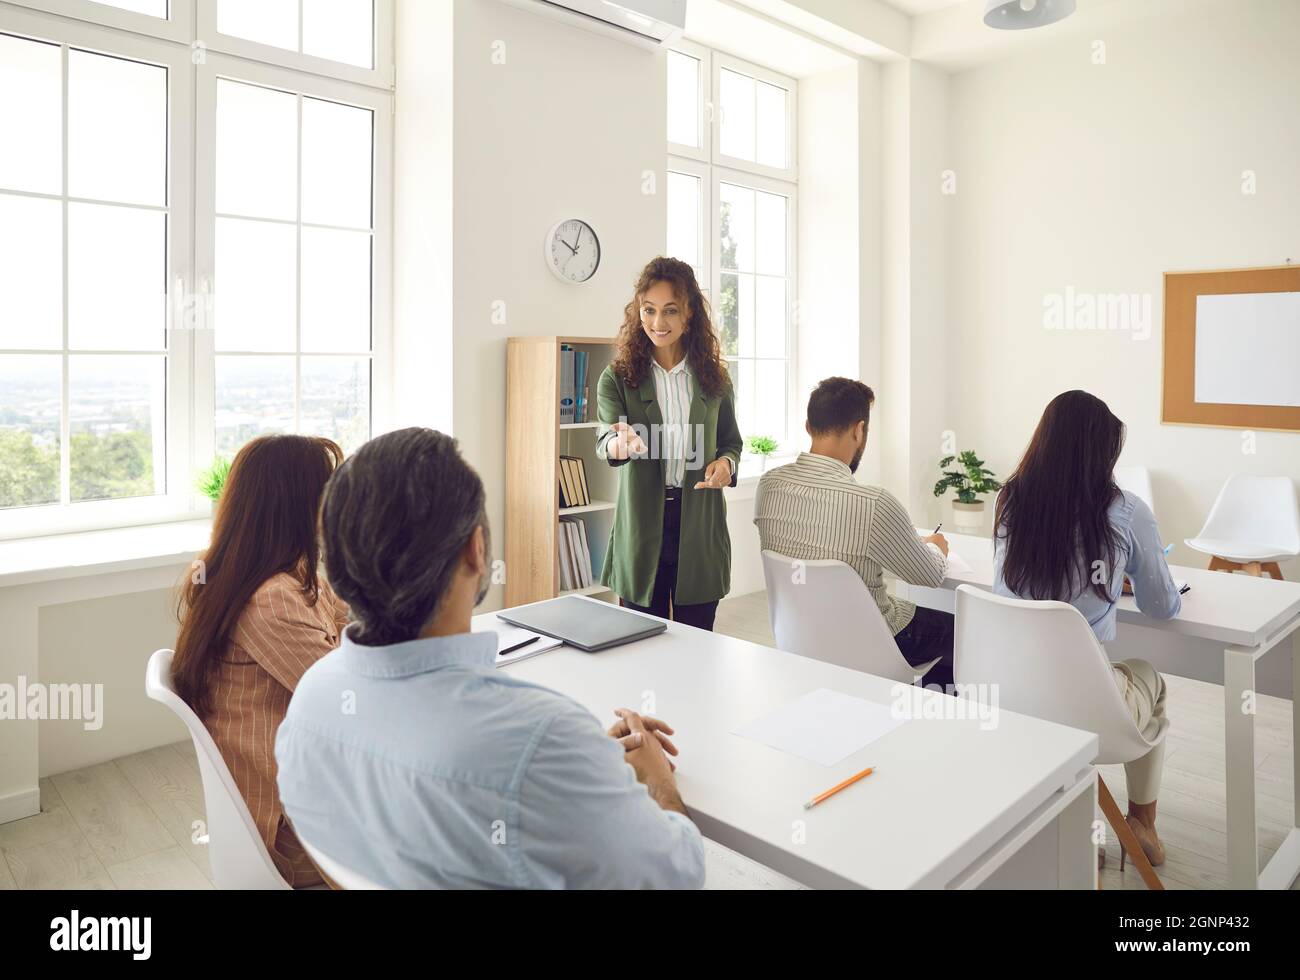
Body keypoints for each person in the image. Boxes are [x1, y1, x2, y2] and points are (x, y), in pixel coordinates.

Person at [274, 427, 705, 889]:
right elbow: (675, 877)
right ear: (475, 550)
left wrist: (583, 768)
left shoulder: (310, 700)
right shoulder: (541, 738)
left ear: (335, 566)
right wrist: (659, 782)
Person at [993, 389, 1181, 867]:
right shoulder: (1128, 510)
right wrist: (1118, 579)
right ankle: (1141, 825)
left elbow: (1005, 591)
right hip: (1088, 709)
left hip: (1014, 700)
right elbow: (1162, 607)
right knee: (1148, 676)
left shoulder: (1010, 501)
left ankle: (1074, 825)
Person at [172, 435, 347, 888]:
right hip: (295, 832)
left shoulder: (276, 573)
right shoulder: (271, 599)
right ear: (297, 506)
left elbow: (352, 634)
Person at [754, 378, 955, 687]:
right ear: (859, 430)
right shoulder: (873, 503)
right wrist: (936, 548)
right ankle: (931, 719)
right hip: (874, 641)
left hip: (801, 637)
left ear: (808, 426)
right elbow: (929, 576)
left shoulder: (768, 486)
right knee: (963, 632)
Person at [594, 256, 743, 632]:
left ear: (689, 313)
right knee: (640, 642)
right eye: (649, 310)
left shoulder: (714, 378)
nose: (658, 323)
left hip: (699, 525)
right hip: (643, 525)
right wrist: (620, 443)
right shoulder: (617, 377)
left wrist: (726, 465)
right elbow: (605, 439)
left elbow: (730, 443)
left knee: (698, 642)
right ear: (638, 311)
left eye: (670, 311)